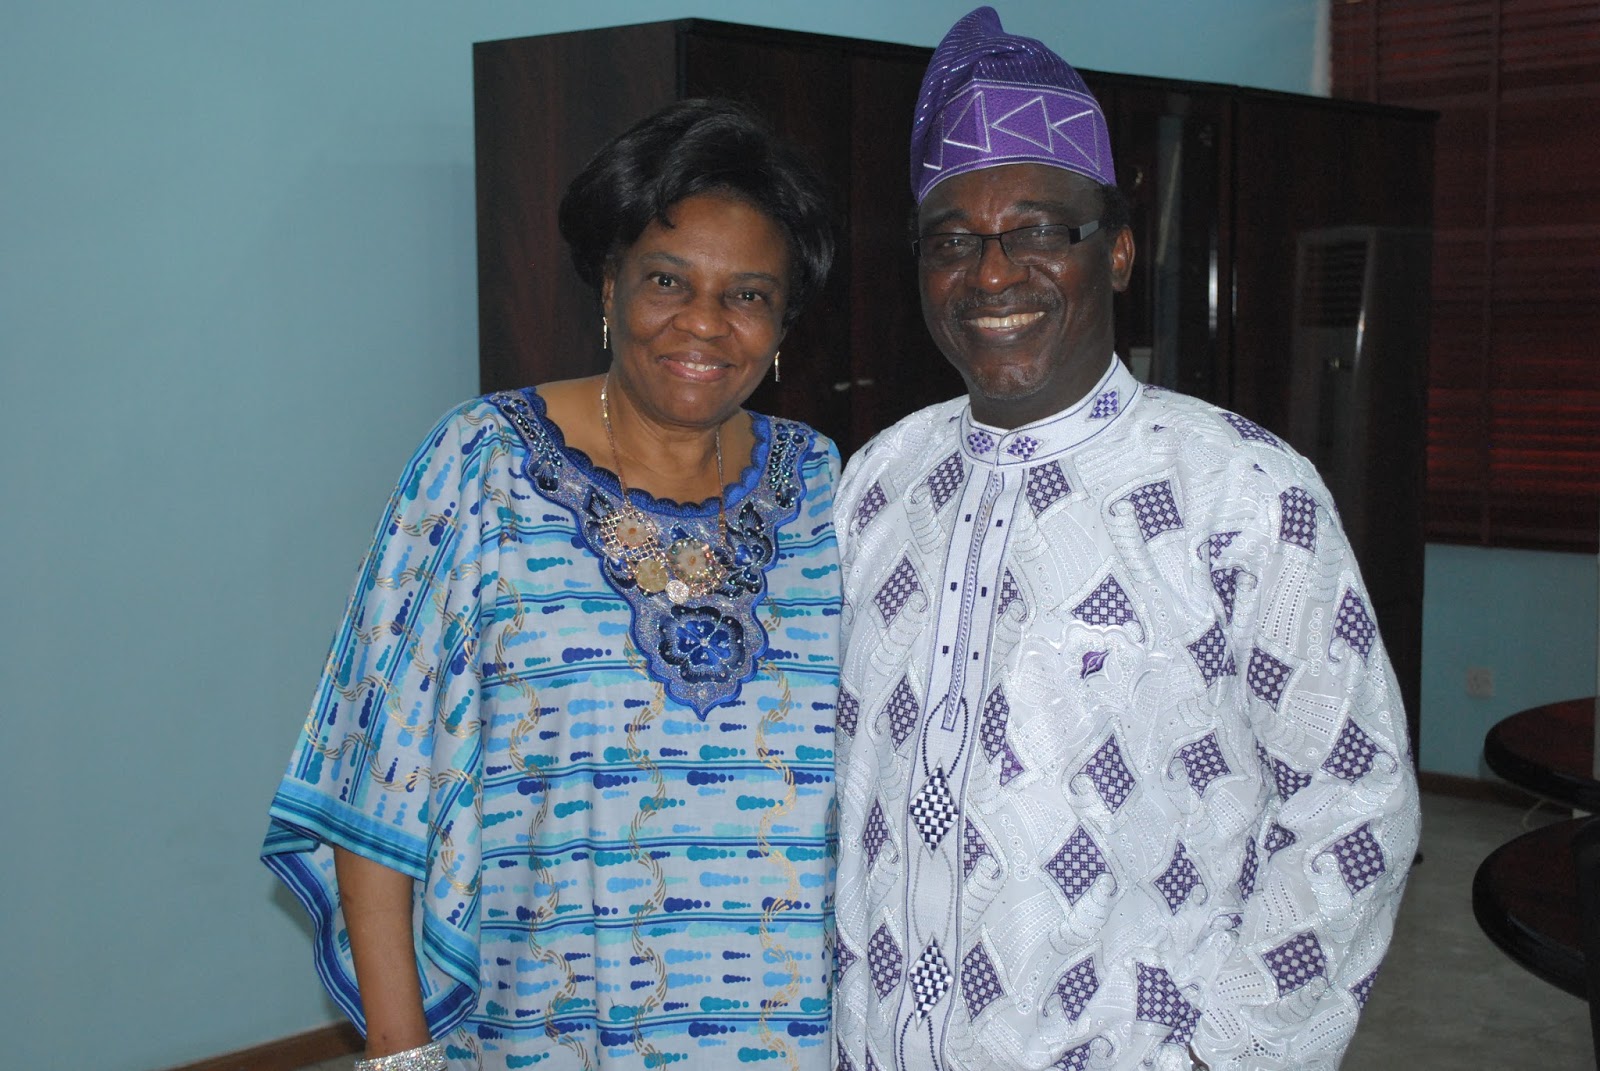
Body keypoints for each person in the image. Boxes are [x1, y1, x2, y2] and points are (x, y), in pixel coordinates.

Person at [831, 9, 1420, 1071]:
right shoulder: (877, 482)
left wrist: (1223, 1053)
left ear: (1117, 251)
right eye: (953, 240)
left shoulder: (1241, 492)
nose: (993, 273)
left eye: (1041, 230)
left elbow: (1353, 807)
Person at [263, 98, 841, 1071]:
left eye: (747, 295)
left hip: (789, 1028)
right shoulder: (480, 466)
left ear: (782, 325)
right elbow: (374, 780)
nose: (702, 322)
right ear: (609, 285)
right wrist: (400, 1055)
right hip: (554, 1025)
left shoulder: (823, 483)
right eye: (667, 280)